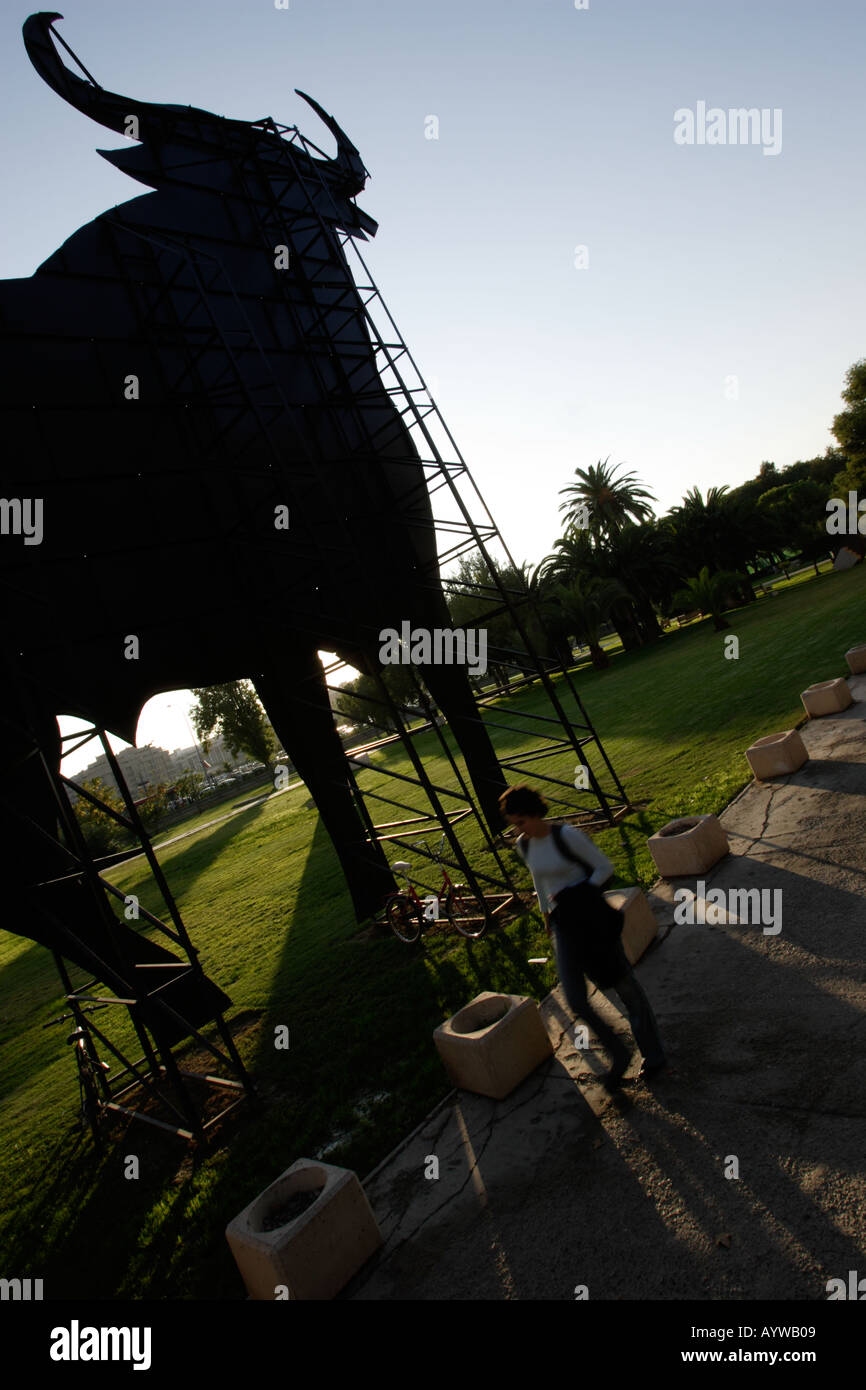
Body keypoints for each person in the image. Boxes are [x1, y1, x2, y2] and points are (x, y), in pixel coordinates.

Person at [500, 783, 667, 1093]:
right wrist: (545, 915)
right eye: (514, 825)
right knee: (576, 998)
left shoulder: (566, 836)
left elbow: (605, 867)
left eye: (521, 822)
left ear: (535, 813)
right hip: (564, 924)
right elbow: (539, 881)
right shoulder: (524, 845)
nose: (517, 830)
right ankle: (618, 1051)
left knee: (624, 987)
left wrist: (581, 893)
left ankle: (653, 1054)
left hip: (591, 919)